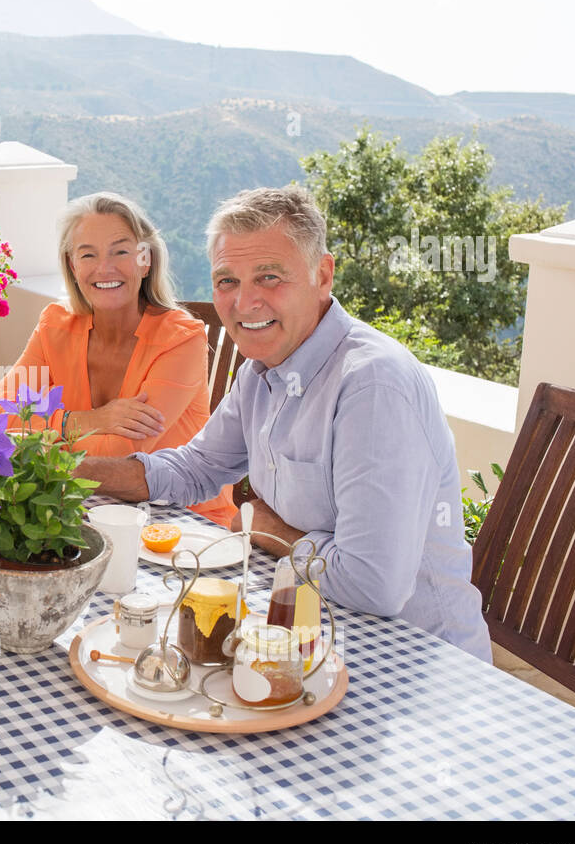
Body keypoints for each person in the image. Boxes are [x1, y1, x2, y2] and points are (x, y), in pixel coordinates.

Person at [76, 186, 493, 662]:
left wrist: (266, 527)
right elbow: (194, 469)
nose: (244, 302)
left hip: (418, 661)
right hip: (314, 630)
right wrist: (73, 471)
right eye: (227, 281)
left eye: (269, 277)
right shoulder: (264, 369)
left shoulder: (372, 386)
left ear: (323, 275)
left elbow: (373, 584)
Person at [0, 192, 236, 526]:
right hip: (75, 509)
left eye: (121, 251)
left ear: (145, 261)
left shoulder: (180, 340)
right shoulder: (55, 325)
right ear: (73, 265)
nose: (105, 268)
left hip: (179, 523)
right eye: (88, 255)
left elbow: (121, 460)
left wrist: (29, 447)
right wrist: (91, 420)